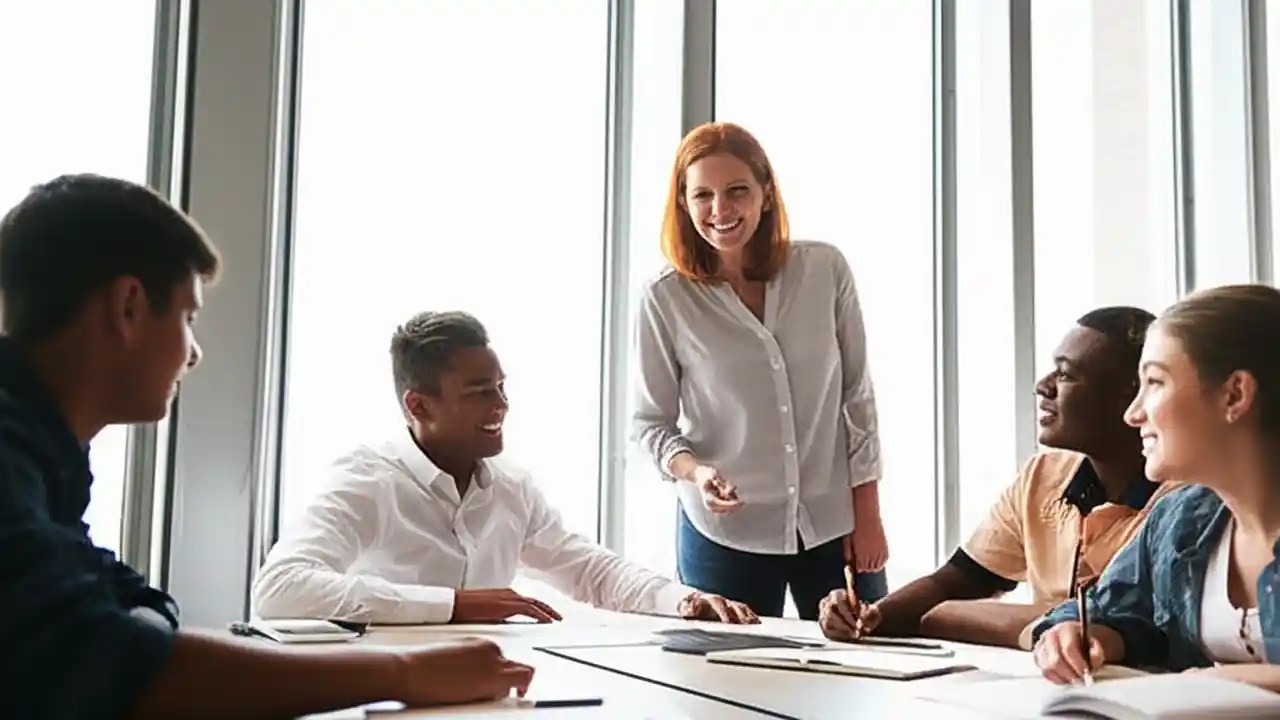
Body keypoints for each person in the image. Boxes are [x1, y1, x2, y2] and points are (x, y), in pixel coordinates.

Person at [0, 175, 534, 719]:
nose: (193, 353)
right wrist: (404, 674)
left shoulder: (43, 459)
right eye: (188, 318)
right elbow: (102, 662)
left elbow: (129, 615)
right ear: (129, 307)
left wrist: (135, 635)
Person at [252, 310, 758, 626]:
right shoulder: (367, 481)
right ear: (418, 406)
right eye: (478, 392)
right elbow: (279, 588)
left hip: (487, 690)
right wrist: (453, 604)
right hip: (384, 698)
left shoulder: (511, 487)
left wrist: (683, 600)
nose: (501, 405)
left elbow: (590, 571)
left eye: (500, 387)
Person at [631, 121, 889, 620]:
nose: (720, 210)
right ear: (683, 202)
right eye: (702, 195)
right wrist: (697, 472)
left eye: (737, 191)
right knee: (728, 667)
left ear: (766, 193)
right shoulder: (665, 298)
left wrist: (868, 514)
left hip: (833, 524)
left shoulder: (825, 270)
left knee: (865, 657)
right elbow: (650, 425)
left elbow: (857, 397)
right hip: (725, 535)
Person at [820, 307, 1181, 648]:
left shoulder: (1184, 500)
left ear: (1131, 395)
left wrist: (946, 616)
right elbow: (957, 580)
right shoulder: (1043, 476)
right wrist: (869, 617)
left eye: (1065, 374)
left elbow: (1111, 622)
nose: (1043, 386)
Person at [1034, 285, 1280, 690]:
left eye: (1155, 382)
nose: (1133, 414)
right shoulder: (1179, 521)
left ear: (1235, 394)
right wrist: (1083, 637)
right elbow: (1103, 612)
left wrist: (1217, 682)